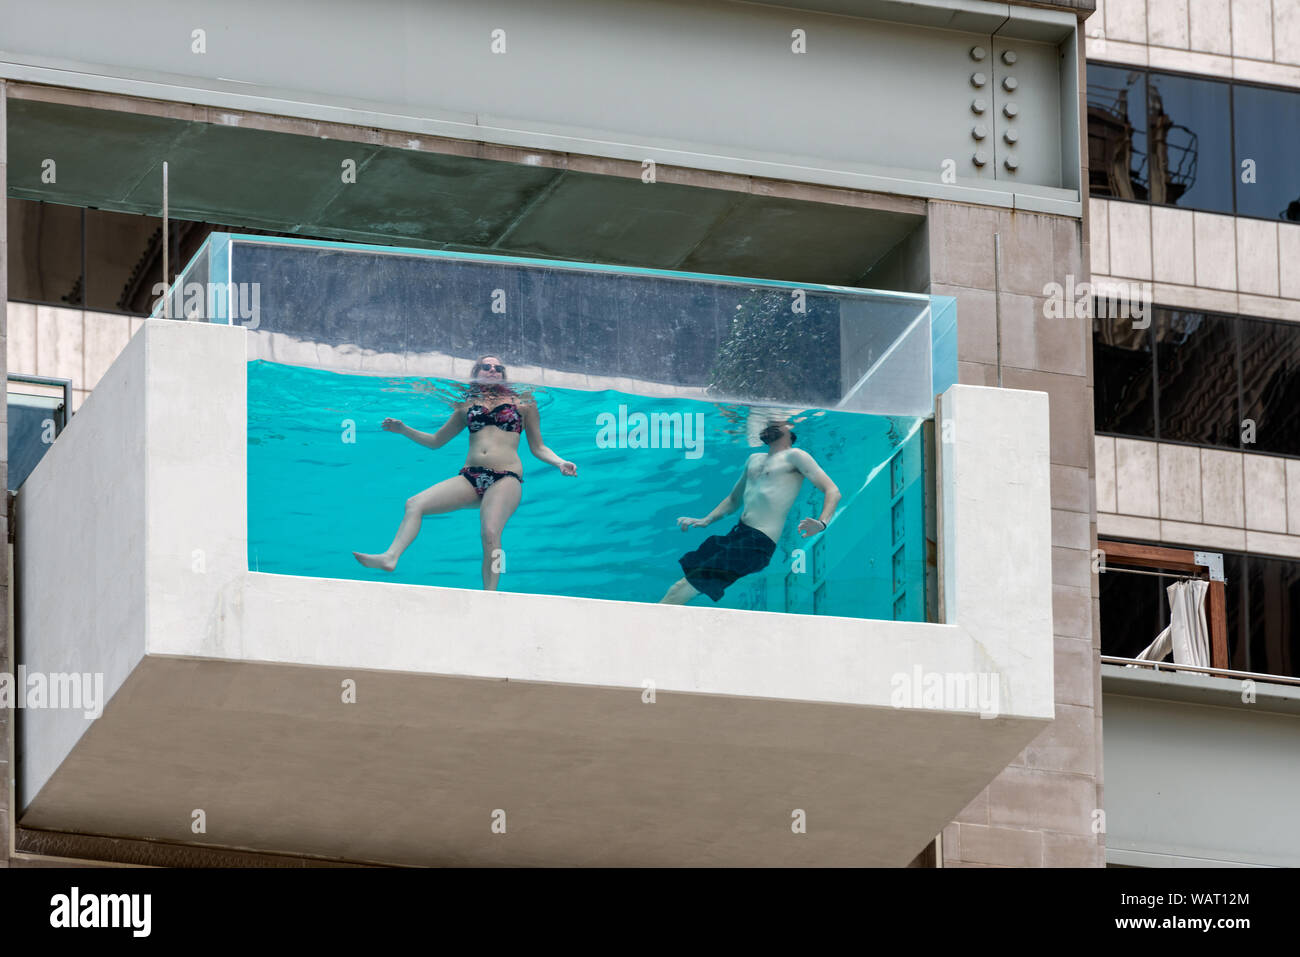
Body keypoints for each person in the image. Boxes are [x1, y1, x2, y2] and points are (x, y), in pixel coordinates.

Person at [353, 355, 577, 590]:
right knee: (414, 504)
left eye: (498, 367)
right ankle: (390, 557)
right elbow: (436, 441)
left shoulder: (524, 402)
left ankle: (490, 595)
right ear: (476, 372)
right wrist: (403, 429)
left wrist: (559, 462)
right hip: (470, 477)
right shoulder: (465, 405)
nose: (493, 370)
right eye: (486, 366)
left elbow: (538, 446)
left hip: (506, 477)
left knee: (490, 532)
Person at [659, 419, 840, 605]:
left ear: (789, 426)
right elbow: (733, 500)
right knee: (686, 587)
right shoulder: (754, 459)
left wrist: (821, 523)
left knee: (680, 589)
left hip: (757, 544)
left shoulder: (795, 456)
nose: (768, 423)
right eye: (766, 421)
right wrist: (706, 520)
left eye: (775, 421)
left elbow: (832, 491)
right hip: (737, 535)